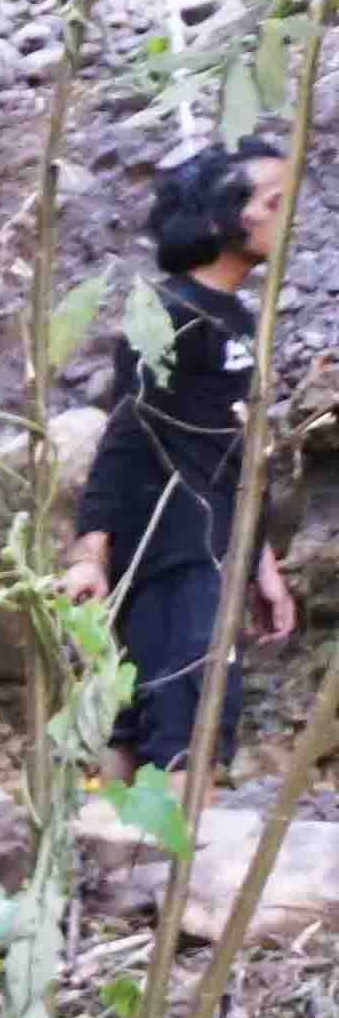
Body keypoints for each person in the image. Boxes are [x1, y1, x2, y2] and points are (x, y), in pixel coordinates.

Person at [71, 136, 298, 778]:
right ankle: (147, 872)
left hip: (215, 554)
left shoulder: (236, 318)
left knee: (177, 727)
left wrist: (260, 562)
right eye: (275, 202)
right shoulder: (167, 317)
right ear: (226, 217)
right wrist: (92, 555)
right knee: (175, 734)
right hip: (171, 559)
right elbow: (122, 439)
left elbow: (233, 452)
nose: (290, 217)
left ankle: (138, 870)